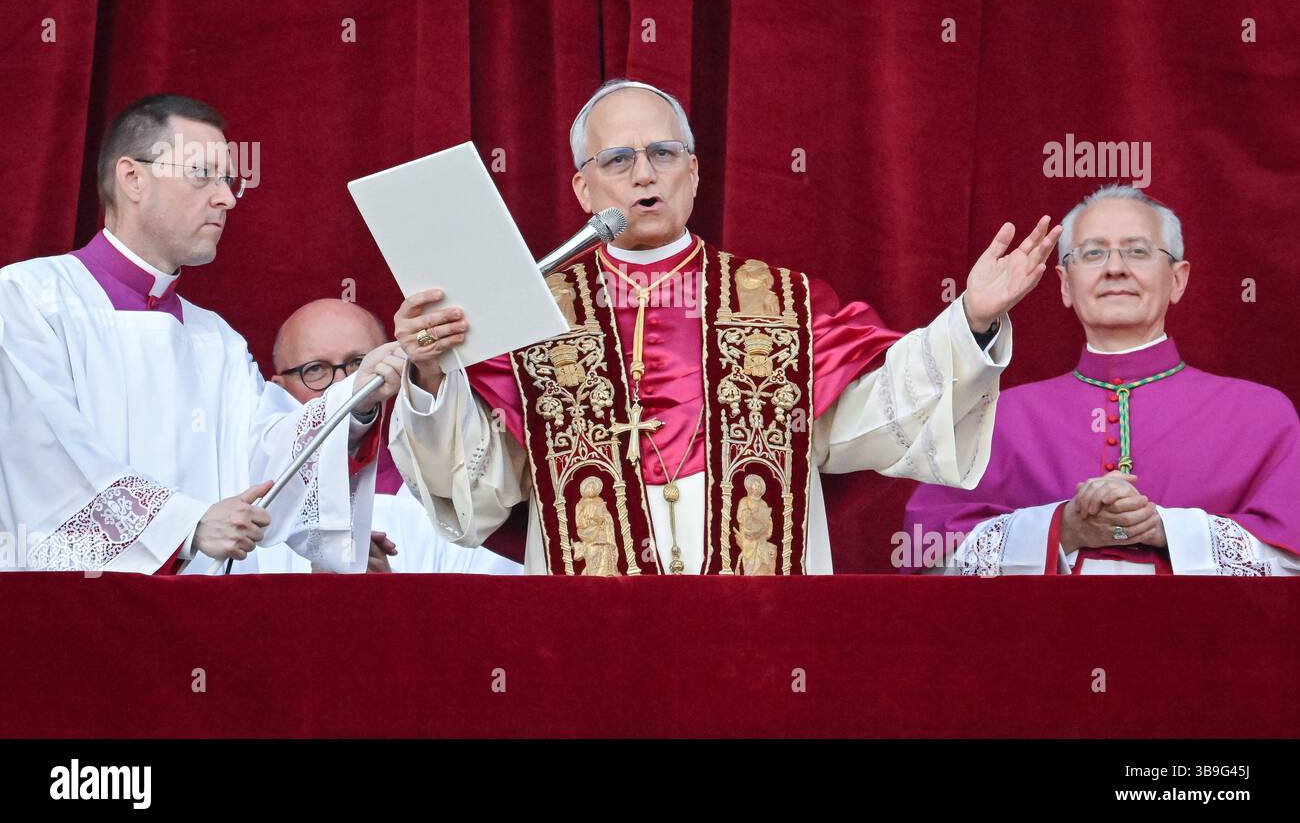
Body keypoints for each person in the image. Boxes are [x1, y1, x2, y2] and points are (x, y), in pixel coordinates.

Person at [389, 79, 1061, 575]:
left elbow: (881, 412)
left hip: (762, 634)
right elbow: (479, 483)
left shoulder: (780, 303)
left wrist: (970, 319)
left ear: (695, 173)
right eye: (617, 160)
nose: (644, 173)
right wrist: (427, 372)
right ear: (583, 190)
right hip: (588, 639)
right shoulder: (533, 314)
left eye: (663, 152)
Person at [0, 94, 404, 574]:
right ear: (132, 178)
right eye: (202, 175)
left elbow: (266, 455)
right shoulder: (27, 301)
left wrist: (355, 397)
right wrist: (186, 527)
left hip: (207, 623)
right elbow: (43, 461)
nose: (227, 197)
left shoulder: (217, 340)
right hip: (80, 615)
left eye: (228, 180)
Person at [904, 186, 1300, 575]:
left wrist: (1168, 529)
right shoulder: (996, 418)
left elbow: (1290, 562)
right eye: (1093, 253)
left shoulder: (1262, 415)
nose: (1115, 268)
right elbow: (932, 558)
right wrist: (1062, 528)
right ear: (1064, 284)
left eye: (1138, 251)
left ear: (1178, 280)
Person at [250, 298, 521, 574]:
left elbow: (491, 601)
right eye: (316, 369)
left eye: (359, 363)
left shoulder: (447, 479)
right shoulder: (255, 494)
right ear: (280, 388)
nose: (343, 384)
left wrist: (391, 594)